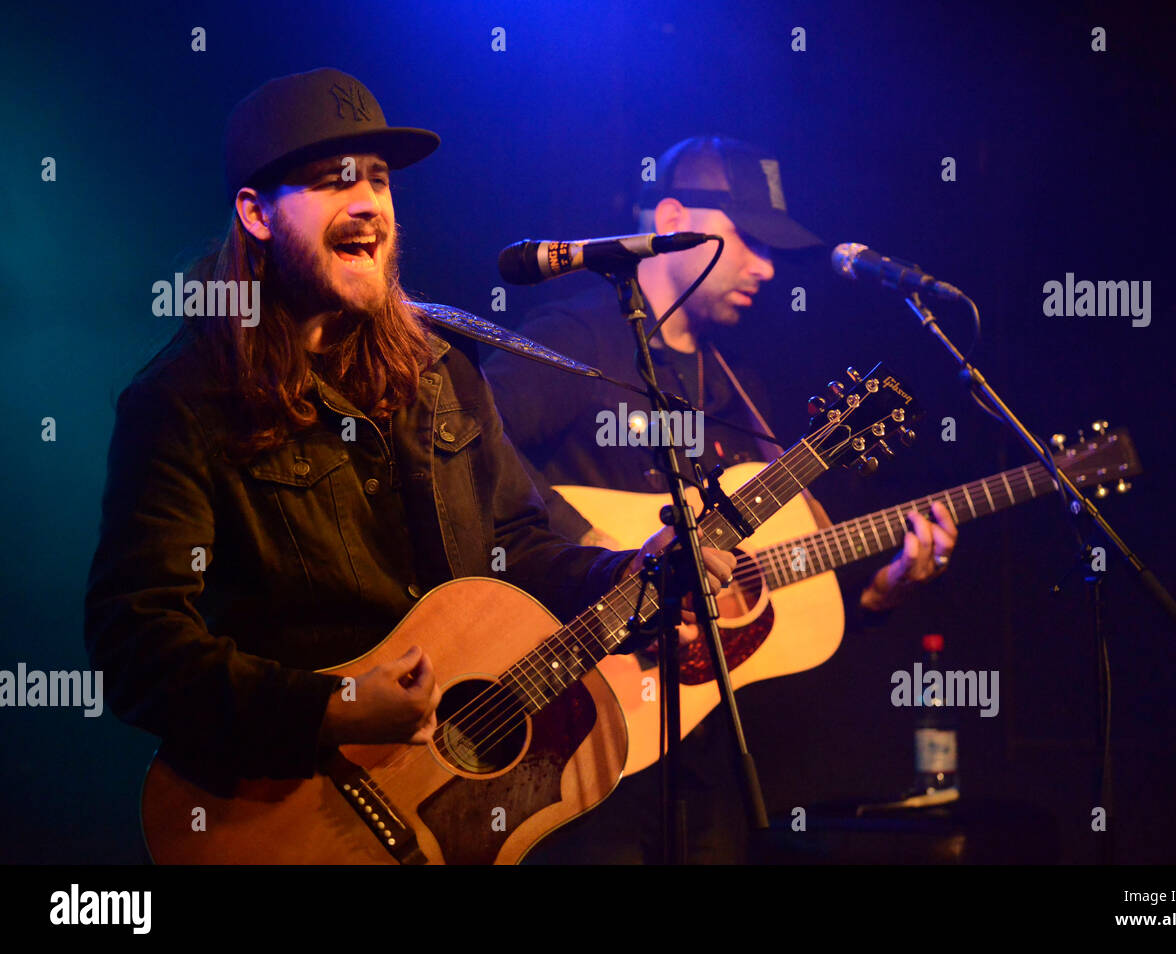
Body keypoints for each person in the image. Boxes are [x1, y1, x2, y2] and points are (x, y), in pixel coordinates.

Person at [83, 70, 734, 791]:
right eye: (335, 181)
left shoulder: (441, 371)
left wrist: (628, 575)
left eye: (381, 181)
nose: (368, 205)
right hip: (291, 802)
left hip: (450, 790)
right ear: (257, 214)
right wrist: (331, 710)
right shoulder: (182, 401)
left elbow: (515, 550)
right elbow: (137, 644)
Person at [483, 136, 958, 863]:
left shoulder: (737, 391)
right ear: (673, 218)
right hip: (581, 729)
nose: (768, 268)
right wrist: (607, 564)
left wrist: (880, 594)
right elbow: (469, 454)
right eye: (751, 241)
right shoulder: (573, 340)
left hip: (701, 756)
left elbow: (759, 597)